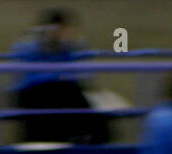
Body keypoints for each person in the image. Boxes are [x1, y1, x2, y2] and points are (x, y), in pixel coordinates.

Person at [10, 9, 108, 144]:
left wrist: (74, 46)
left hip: (64, 92)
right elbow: (27, 76)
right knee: (62, 97)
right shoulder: (28, 46)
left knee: (86, 108)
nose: (60, 33)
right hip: (35, 92)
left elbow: (82, 72)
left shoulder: (70, 47)